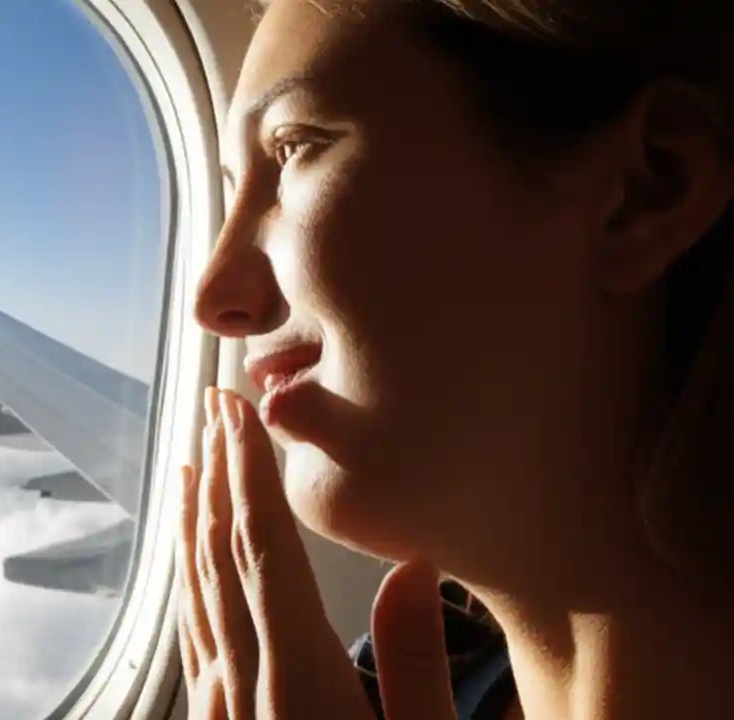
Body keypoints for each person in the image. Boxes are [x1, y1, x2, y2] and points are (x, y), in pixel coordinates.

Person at [174, 0, 734, 718]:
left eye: (295, 147)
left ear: (646, 192)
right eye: (230, 190)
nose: (216, 295)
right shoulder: (403, 681)